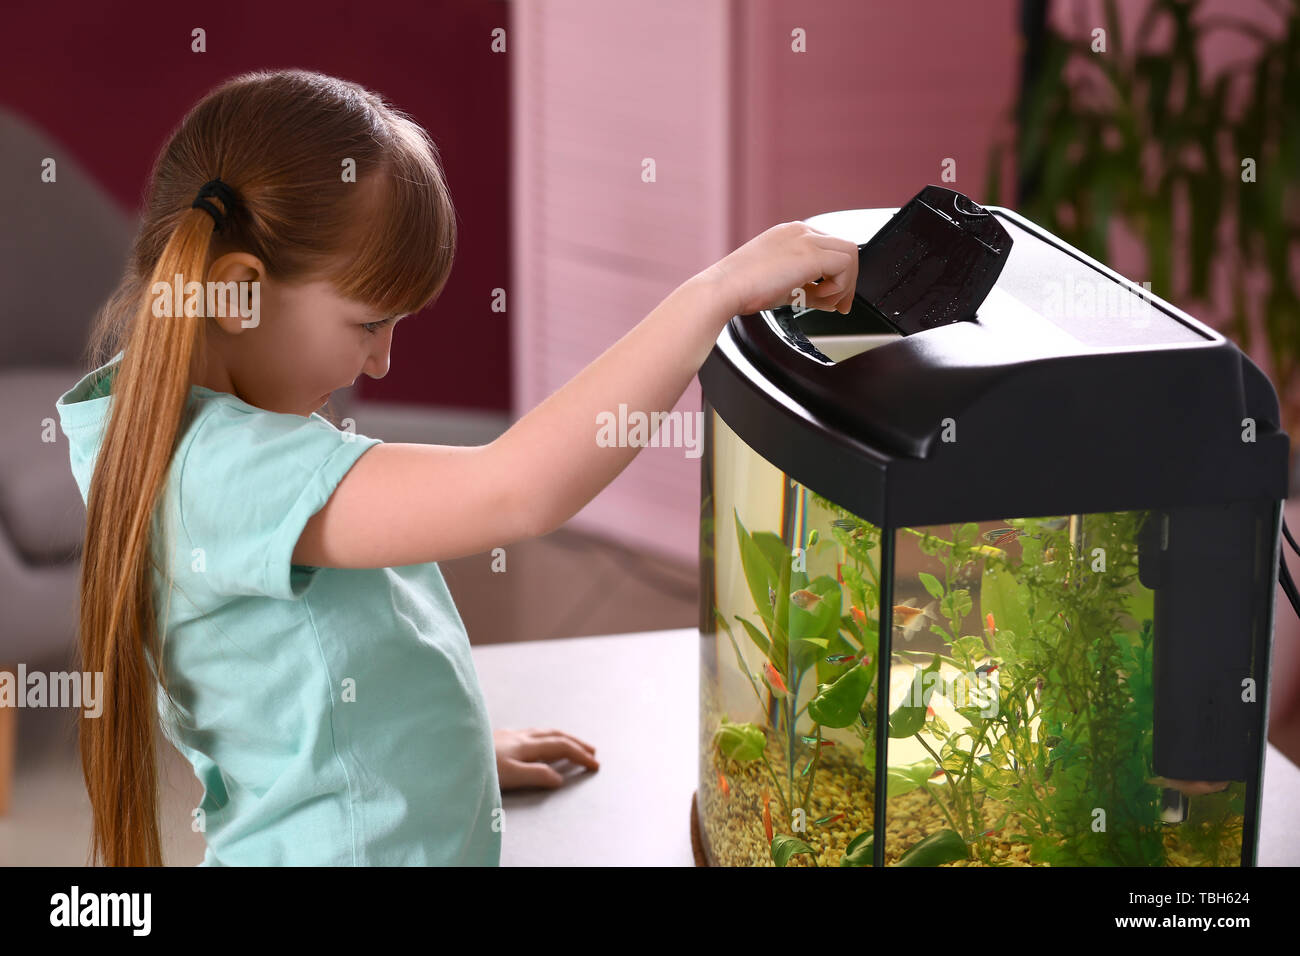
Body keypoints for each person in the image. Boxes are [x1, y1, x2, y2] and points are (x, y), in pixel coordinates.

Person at [53, 68, 859, 866]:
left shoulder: (163, 422)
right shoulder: (226, 476)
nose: (383, 362)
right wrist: (713, 293)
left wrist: (443, 753)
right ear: (238, 296)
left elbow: (298, 689)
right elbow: (518, 491)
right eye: (369, 323)